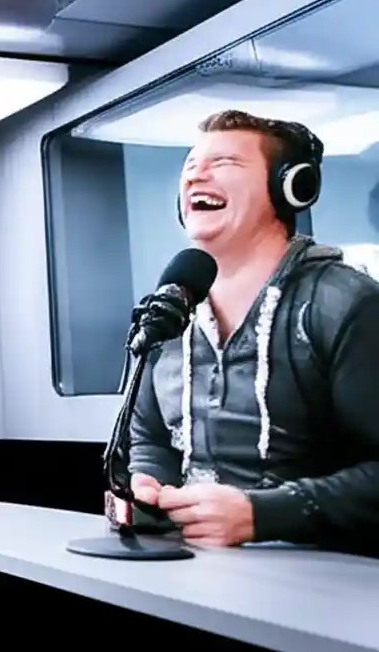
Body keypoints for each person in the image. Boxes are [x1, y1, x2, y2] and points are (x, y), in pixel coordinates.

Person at [128, 110, 379, 552]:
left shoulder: (347, 304)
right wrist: (148, 484)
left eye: (222, 163)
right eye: (189, 167)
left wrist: (264, 515)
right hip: (189, 574)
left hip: (332, 587)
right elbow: (149, 438)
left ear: (292, 187)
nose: (195, 177)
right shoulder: (169, 307)